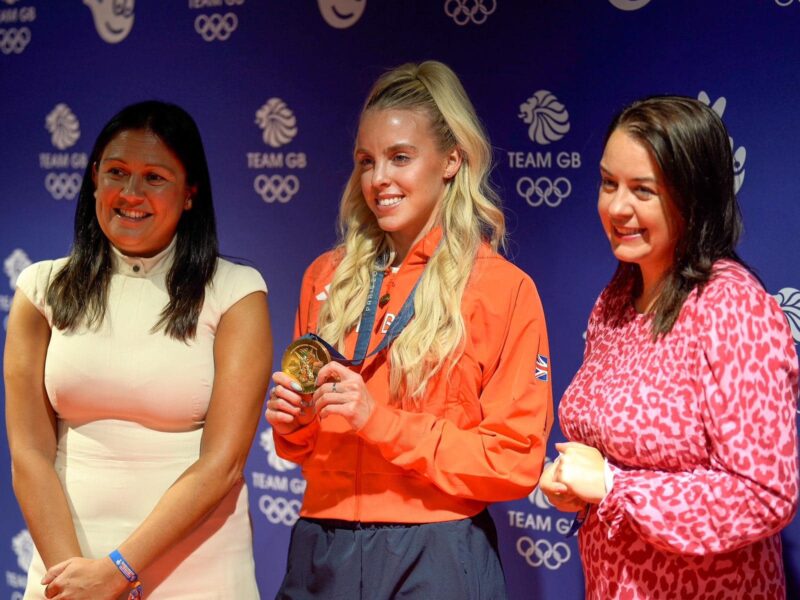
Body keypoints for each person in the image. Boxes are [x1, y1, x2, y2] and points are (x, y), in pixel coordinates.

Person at [266, 60, 553, 599]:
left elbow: (514, 462)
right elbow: (302, 447)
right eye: (366, 161)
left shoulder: (503, 289)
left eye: (400, 158)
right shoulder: (326, 277)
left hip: (436, 552)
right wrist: (295, 422)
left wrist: (379, 422)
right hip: (320, 546)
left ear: (451, 160)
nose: (379, 180)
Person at [4, 101, 272, 599]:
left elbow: (224, 464)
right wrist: (74, 579)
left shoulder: (236, 292)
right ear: (94, 179)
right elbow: (29, 453)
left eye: (155, 178)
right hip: (68, 570)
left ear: (190, 193)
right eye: (117, 173)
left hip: (198, 569)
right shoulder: (39, 289)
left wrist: (118, 572)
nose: (131, 193)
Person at [539, 96, 799, 599]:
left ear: (693, 200)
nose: (616, 207)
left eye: (643, 191)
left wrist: (615, 489)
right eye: (609, 183)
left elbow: (764, 495)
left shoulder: (733, 308)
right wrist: (577, 484)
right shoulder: (615, 298)